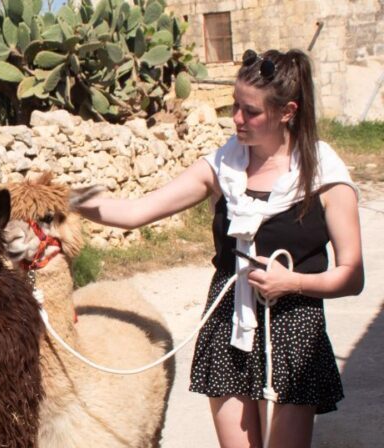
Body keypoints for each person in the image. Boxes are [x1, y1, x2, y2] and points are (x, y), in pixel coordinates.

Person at [71, 49, 364, 448]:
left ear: (287, 111)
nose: (237, 120)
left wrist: (291, 282)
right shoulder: (222, 166)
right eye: (234, 107)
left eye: (251, 111)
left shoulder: (324, 176)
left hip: (295, 326)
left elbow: (352, 275)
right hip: (229, 320)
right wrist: (61, 200)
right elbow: (136, 211)